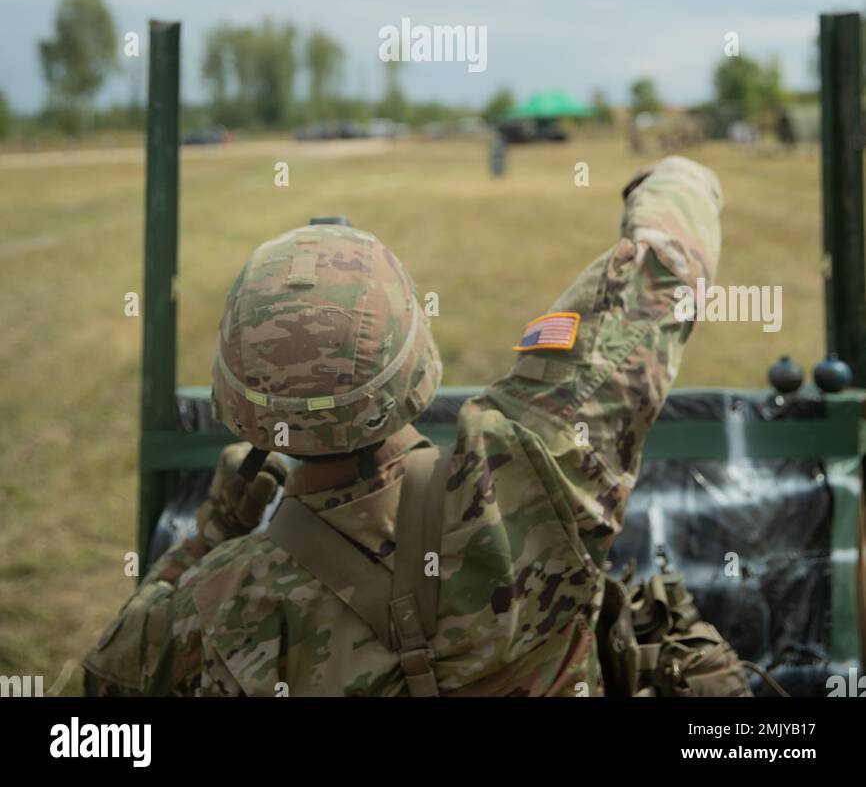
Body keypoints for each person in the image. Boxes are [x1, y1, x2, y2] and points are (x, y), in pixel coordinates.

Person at [83, 154, 742, 698]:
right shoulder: (524, 487)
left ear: (238, 402)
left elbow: (98, 690)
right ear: (414, 365)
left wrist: (212, 533)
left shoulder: (206, 603)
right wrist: (678, 176)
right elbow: (661, 275)